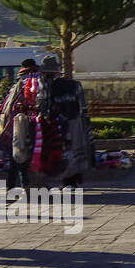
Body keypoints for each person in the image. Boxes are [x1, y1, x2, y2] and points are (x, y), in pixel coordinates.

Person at [45, 56, 92, 186]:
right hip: (75, 121)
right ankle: (75, 178)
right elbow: (82, 107)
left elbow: (48, 108)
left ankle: (67, 179)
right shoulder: (75, 86)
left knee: (64, 150)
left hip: (59, 123)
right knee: (75, 149)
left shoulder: (49, 88)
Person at [0, 59, 44, 190]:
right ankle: (25, 186)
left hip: (14, 126)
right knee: (22, 157)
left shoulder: (16, 86)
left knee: (16, 157)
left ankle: (11, 186)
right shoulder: (30, 83)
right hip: (25, 126)